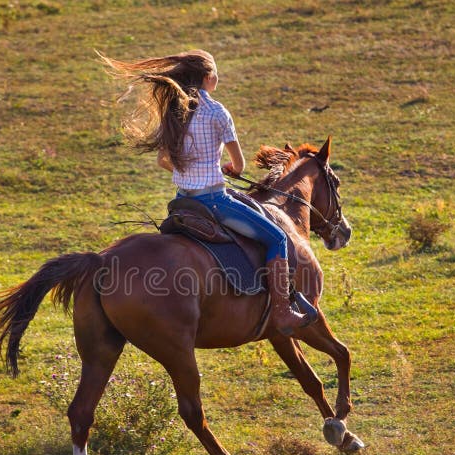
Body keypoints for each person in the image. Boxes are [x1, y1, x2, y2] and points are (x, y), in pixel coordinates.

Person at [98, 49, 314, 335]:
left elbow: (163, 160)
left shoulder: (174, 111)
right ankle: (283, 313)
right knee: (276, 238)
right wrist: (231, 169)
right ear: (209, 78)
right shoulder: (217, 112)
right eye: (216, 74)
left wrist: (185, 172)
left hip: (181, 204)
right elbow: (239, 163)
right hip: (214, 202)